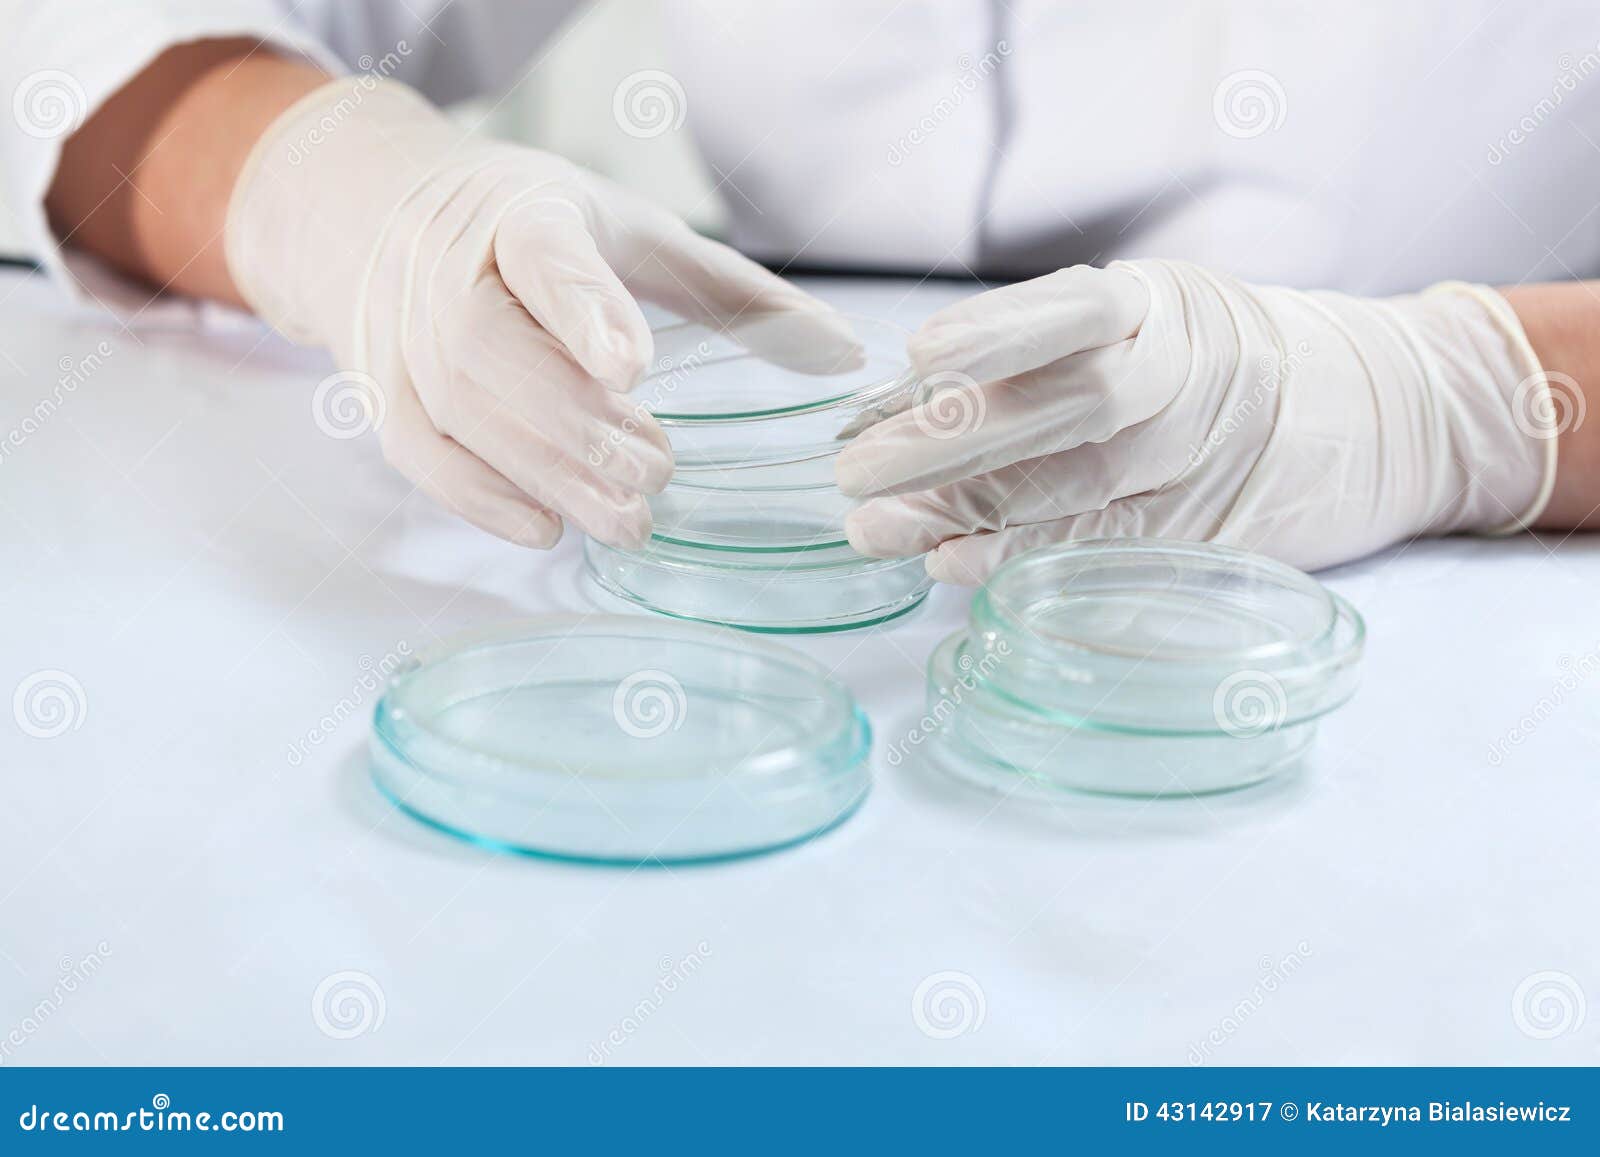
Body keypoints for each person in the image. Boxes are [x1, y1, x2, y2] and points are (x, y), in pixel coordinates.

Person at [7, 2, 1598, 584]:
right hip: (835, 597)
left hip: (1452, 595)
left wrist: (1457, 404)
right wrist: (343, 202)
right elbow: (80, 37)